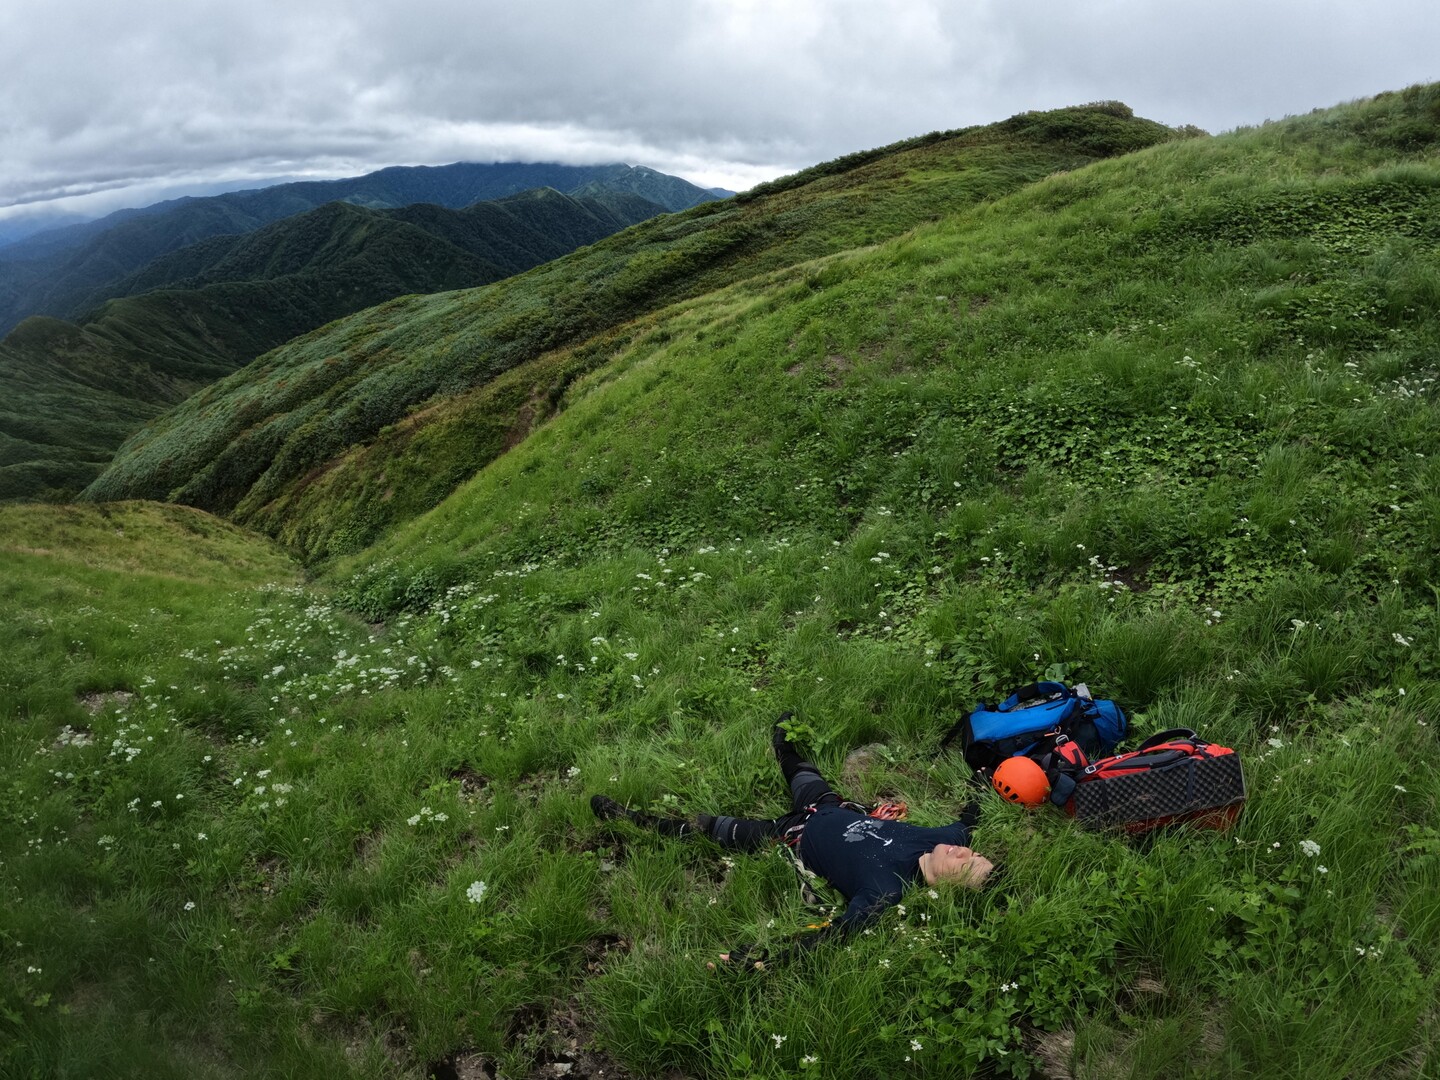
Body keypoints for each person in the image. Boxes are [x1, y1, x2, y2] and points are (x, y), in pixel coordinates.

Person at [589, 716, 994, 967]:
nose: (963, 850)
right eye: (972, 851)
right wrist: (985, 775)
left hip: (790, 835)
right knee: (803, 772)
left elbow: (831, 937)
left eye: (964, 862)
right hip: (829, 807)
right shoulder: (944, 839)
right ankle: (783, 741)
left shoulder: (885, 892)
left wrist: (762, 963)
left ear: (946, 885)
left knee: (709, 828)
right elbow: (970, 818)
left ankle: (632, 820)